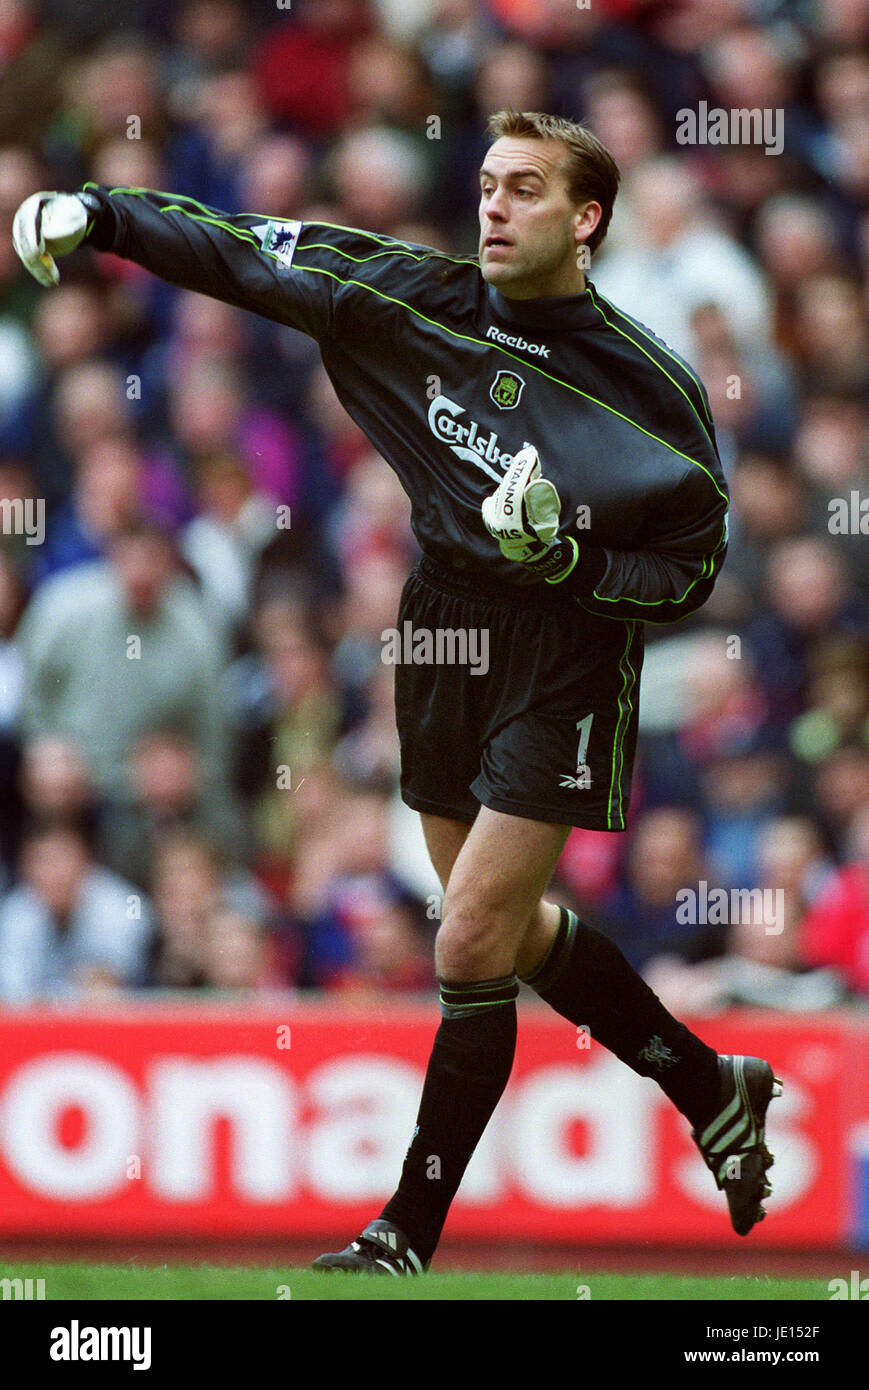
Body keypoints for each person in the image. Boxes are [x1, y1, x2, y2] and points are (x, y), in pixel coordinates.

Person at [13, 109, 781, 1273]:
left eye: (524, 188)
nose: (492, 205)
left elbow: (689, 570)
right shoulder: (406, 295)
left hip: (566, 652)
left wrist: (566, 558)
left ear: (586, 220)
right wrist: (106, 218)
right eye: (484, 183)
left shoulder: (652, 394)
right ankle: (707, 1080)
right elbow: (250, 253)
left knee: (467, 938)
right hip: (437, 636)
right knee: (506, 930)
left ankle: (401, 1233)